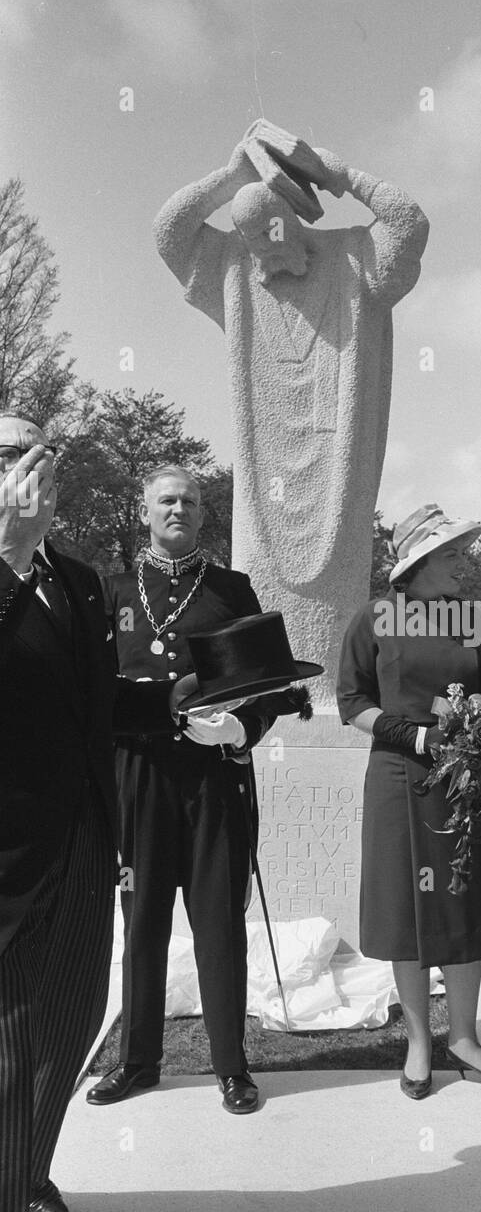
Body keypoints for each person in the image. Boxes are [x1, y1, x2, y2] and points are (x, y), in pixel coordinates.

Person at [0, 415, 192, 1212]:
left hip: (82, 849)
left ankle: (25, 1169)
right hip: (6, 861)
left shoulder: (75, 580)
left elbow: (98, 706)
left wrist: (195, 712)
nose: (32, 464)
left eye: (41, 450)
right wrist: (5, 555)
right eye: (11, 452)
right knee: (8, 1058)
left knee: (72, 1026)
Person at [153, 120, 429, 693]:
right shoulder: (237, 269)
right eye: (255, 247)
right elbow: (170, 232)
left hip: (339, 472)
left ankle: (335, 699)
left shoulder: (355, 258)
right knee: (260, 601)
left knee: (334, 602)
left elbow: (409, 222)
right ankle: (263, 707)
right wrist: (230, 177)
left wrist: (341, 175)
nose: (266, 260)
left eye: (274, 244)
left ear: (295, 224)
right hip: (262, 483)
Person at [86, 466, 307, 1117]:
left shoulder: (233, 590)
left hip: (215, 778)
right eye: (166, 500)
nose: (177, 509)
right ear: (145, 509)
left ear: (204, 514)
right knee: (143, 919)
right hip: (141, 776)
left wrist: (243, 727)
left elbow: (270, 681)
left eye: (188, 501)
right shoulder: (113, 590)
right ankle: (137, 1061)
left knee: (217, 923)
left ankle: (232, 1066)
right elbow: (96, 692)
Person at [337, 504, 481, 1098]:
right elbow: (352, 701)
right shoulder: (374, 619)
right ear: (415, 566)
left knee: (462, 902)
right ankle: (420, 1042)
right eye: (451, 557)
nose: (461, 566)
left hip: (462, 780)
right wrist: (413, 734)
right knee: (406, 908)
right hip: (398, 777)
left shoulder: (472, 619)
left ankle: (464, 1037)